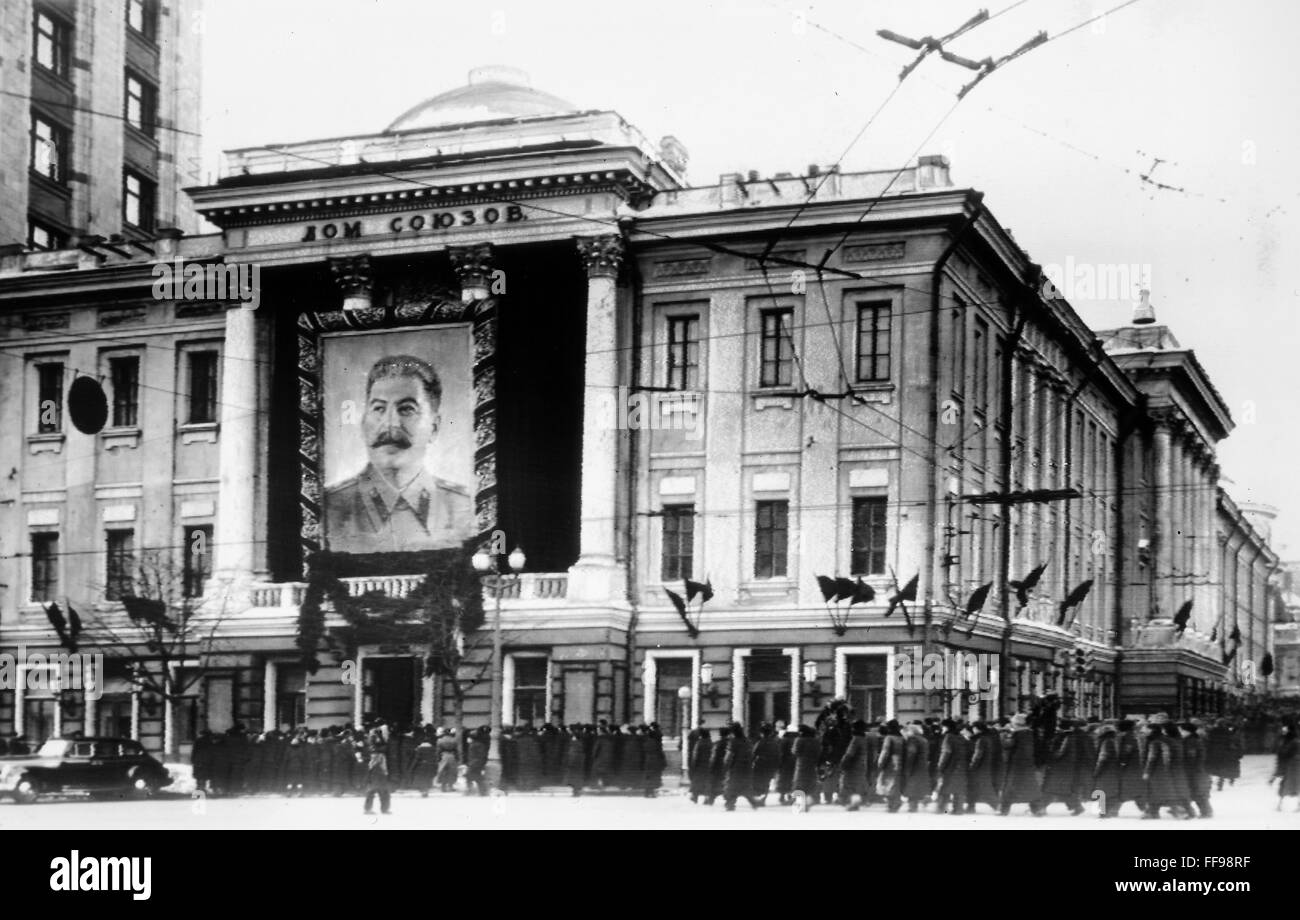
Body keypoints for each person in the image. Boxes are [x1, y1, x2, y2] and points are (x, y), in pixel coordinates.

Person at [324, 354, 473, 553]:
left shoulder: (468, 509)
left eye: (407, 409)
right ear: (362, 423)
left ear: (434, 427)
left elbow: (499, 547)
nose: (390, 424)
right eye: (378, 408)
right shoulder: (327, 509)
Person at [1000, 713, 1043, 816]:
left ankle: (1004, 810)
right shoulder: (1031, 734)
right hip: (1028, 764)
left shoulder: (1016, 734)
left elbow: (1007, 744)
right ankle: (1036, 809)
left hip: (1016, 765)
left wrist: (1003, 735)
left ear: (1016, 723)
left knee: (1010, 788)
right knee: (1031, 787)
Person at [1042, 718, 1087, 816]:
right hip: (1067, 767)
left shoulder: (1065, 737)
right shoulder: (1072, 736)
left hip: (1060, 767)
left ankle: (1040, 807)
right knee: (1062, 789)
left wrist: (1050, 755)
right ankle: (1077, 807)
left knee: (1051, 788)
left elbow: (1060, 752)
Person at [934, 718, 969, 815]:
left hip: (950, 767)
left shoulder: (948, 737)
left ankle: (941, 809)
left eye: (943, 727)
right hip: (961, 767)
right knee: (958, 790)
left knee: (944, 788)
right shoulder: (961, 737)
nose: (942, 729)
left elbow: (946, 753)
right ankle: (958, 809)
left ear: (946, 727)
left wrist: (940, 766)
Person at [966, 720, 1002, 814]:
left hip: (979, 768)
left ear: (978, 729)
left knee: (984, 789)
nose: (972, 729)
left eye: (974, 728)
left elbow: (978, 755)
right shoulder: (987, 738)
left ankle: (997, 806)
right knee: (973, 788)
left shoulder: (981, 739)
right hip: (985, 766)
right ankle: (970, 807)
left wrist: (972, 765)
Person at [722, 722, 758, 811]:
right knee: (745, 787)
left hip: (736, 769)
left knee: (731, 787)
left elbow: (729, 756)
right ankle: (753, 802)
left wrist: (725, 766)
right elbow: (752, 754)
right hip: (747, 768)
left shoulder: (733, 742)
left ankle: (730, 804)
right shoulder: (747, 741)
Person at [1181, 721, 1213, 818]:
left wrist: (1188, 768)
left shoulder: (1191, 741)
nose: (1180, 732)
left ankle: (1205, 812)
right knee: (1195, 791)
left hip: (1194, 770)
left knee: (1196, 791)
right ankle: (1204, 811)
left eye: (1182, 730)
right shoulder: (1192, 740)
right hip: (1196, 770)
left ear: (1188, 731)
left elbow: (1192, 756)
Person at [839, 720, 871, 811]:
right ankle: (856, 803)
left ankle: (852, 804)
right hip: (862, 765)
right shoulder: (864, 738)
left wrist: (843, 763)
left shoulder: (856, 739)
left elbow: (849, 754)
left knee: (849, 785)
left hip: (853, 766)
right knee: (857, 785)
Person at [901, 722, 932, 812]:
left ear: (911, 731)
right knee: (919, 786)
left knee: (912, 787)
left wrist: (907, 766)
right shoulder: (924, 740)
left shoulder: (913, 740)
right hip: (922, 766)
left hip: (914, 766)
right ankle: (920, 803)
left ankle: (912, 807)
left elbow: (911, 753)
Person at [1093, 722, 1121, 818]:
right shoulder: (1114, 741)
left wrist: (1097, 770)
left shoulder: (1106, 742)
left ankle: (1104, 812)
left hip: (1105, 770)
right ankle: (1111, 811)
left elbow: (1102, 757)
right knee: (1111, 792)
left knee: (1102, 791)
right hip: (1114, 770)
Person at [360, 729, 392, 815]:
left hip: (372, 770)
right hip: (380, 769)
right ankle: (384, 809)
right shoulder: (381, 748)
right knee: (384, 791)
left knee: (371, 791)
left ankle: (367, 808)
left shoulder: (369, 744)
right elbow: (384, 748)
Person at [1205, 718, 1243, 791]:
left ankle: (1209, 783)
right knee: (1222, 768)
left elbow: (1209, 741)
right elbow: (1231, 742)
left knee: (1210, 768)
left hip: (1213, 752)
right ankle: (1220, 783)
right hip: (1224, 752)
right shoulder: (1227, 732)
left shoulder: (1213, 731)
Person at [876, 720, 904, 812]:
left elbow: (885, 751)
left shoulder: (889, 738)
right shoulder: (902, 738)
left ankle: (891, 804)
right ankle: (896, 801)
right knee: (896, 784)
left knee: (887, 784)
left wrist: (880, 763)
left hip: (890, 763)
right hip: (900, 762)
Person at [791, 724, 822, 809]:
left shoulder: (799, 740)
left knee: (799, 783)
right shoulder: (816, 741)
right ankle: (809, 799)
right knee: (810, 782)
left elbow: (795, 751)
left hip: (801, 764)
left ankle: (799, 802)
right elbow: (819, 752)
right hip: (812, 764)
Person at [750, 722, 781, 805]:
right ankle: (763, 798)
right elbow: (778, 755)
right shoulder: (775, 743)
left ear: (762, 733)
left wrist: (751, 763)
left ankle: (759, 799)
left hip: (760, 765)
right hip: (770, 766)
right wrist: (776, 766)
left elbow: (754, 754)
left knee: (758, 782)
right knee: (766, 783)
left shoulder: (760, 742)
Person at [1274, 724, 1300, 812]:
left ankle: (1281, 805)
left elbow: (1285, 753)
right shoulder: (1286, 741)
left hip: (1293, 767)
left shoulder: (1293, 742)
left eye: (1285, 731)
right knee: (1287, 786)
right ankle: (1280, 805)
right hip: (1290, 767)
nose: (1283, 732)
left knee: (1290, 786)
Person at [687, 726, 714, 804]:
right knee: (707, 782)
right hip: (708, 766)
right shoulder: (711, 743)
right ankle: (706, 798)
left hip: (699, 767)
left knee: (697, 782)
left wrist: (693, 766)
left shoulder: (699, 744)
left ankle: (695, 797)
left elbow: (695, 756)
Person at [643, 723, 667, 797]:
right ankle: (652, 792)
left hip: (647, 761)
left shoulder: (646, 743)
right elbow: (660, 752)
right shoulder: (656, 743)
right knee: (654, 777)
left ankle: (647, 792)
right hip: (655, 761)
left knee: (648, 777)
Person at [465, 726, 490, 796]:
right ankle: (481, 791)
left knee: (474, 777)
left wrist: (472, 764)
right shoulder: (477, 744)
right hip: (476, 763)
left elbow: (477, 756)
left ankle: (473, 791)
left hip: (475, 764)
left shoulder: (475, 745)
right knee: (476, 777)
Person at [434, 728, 460, 793]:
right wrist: (457, 758)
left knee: (443, 772)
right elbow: (456, 751)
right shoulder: (454, 740)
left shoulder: (440, 740)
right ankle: (451, 786)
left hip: (443, 756)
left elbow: (438, 751)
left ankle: (443, 787)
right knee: (451, 772)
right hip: (452, 756)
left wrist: (438, 758)